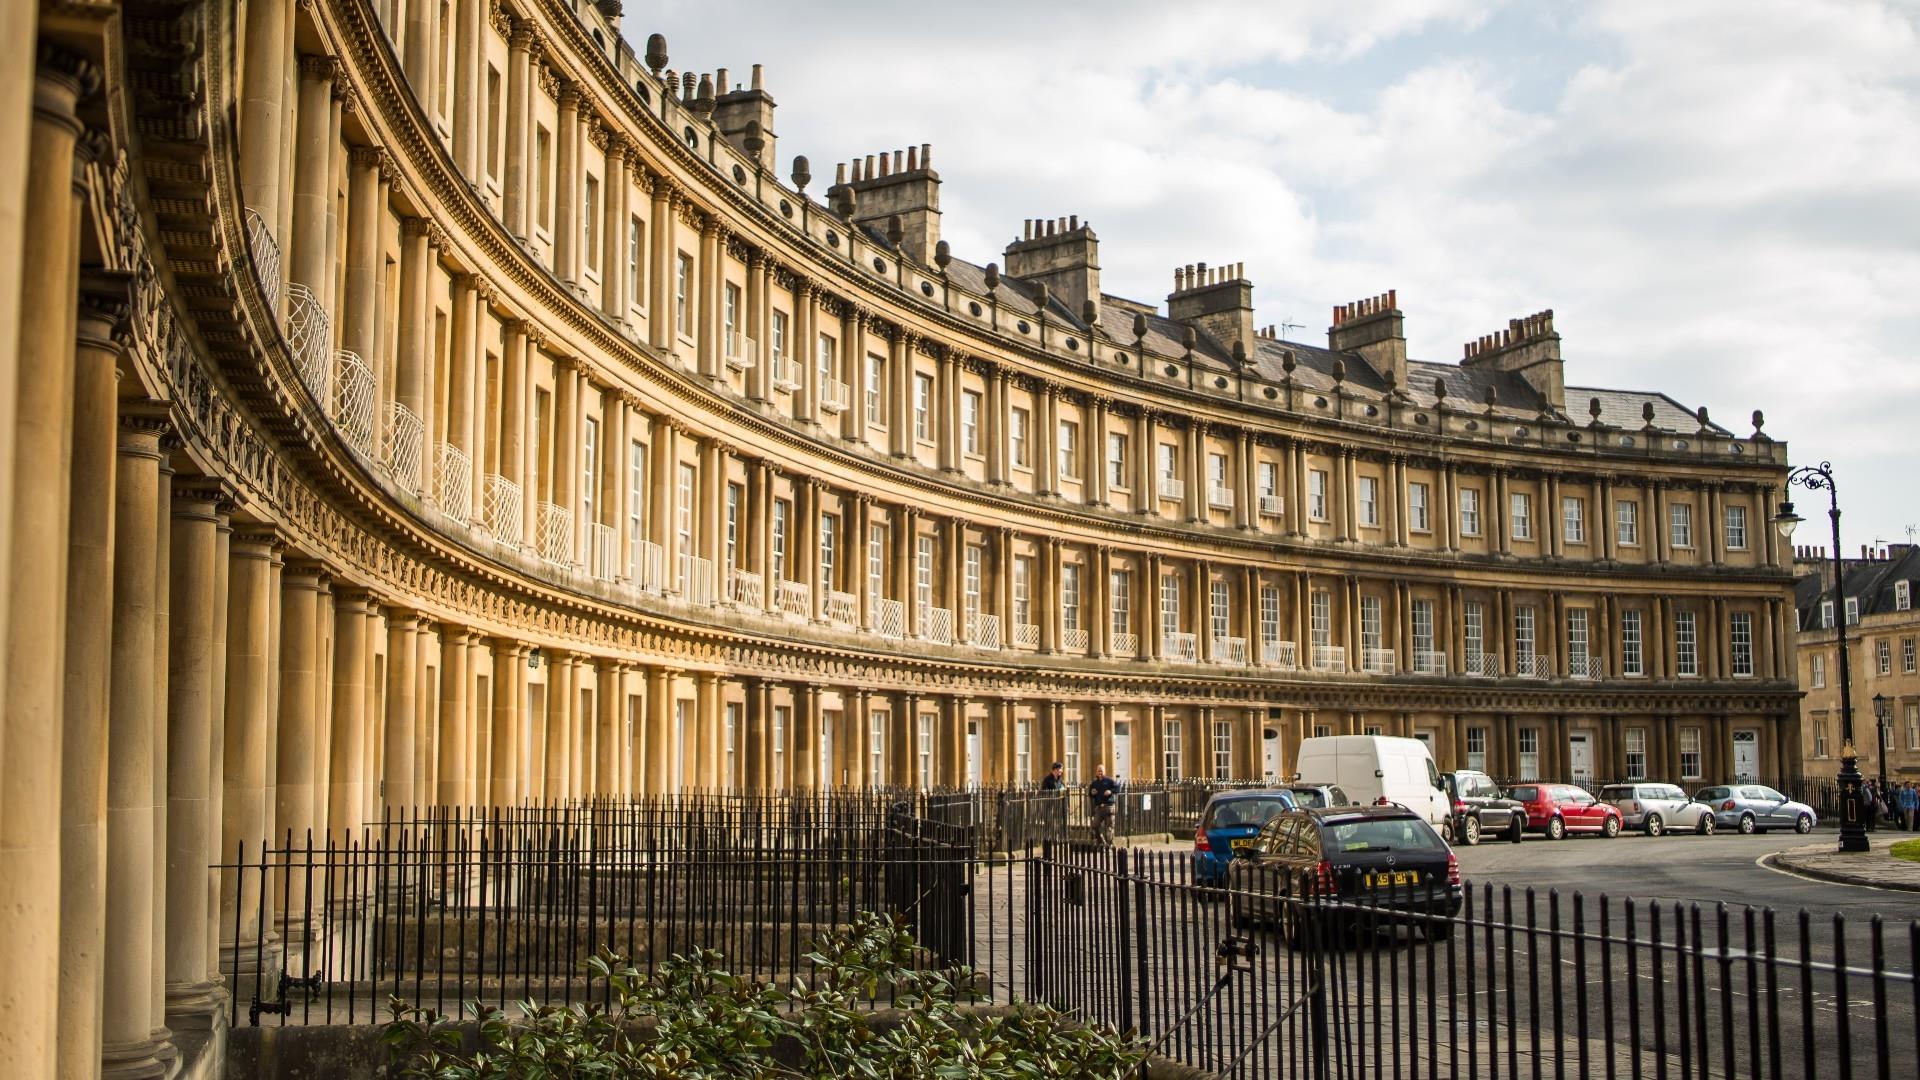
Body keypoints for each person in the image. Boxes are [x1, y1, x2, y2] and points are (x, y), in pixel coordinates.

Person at [1087, 764, 1119, 847]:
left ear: (1104, 772)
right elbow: (1090, 794)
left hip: (1109, 807)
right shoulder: (1094, 783)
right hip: (1099, 808)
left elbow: (1117, 789)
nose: (1100, 772)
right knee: (1095, 826)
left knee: (1109, 828)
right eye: (1098, 771)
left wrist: (1110, 791)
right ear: (1096, 772)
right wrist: (1092, 792)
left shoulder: (1110, 781)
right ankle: (1102, 842)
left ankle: (1110, 844)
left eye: (1101, 771)